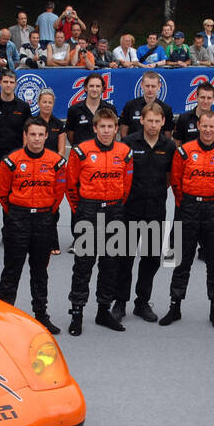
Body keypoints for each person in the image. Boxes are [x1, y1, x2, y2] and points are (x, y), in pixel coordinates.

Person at [159, 107, 214, 330]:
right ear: (198, 126)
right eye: (204, 126)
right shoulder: (184, 151)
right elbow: (176, 182)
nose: (207, 130)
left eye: (212, 127)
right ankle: (175, 306)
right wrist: (187, 204)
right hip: (189, 208)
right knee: (181, 261)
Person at [65, 108, 134, 335]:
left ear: (116, 129)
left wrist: (114, 206)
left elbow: (126, 186)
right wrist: (82, 210)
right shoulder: (81, 152)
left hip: (115, 212)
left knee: (110, 265)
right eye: (102, 126)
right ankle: (77, 313)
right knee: (83, 265)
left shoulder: (125, 152)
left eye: (110, 127)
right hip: (88, 212)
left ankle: (103, 310)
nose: (106, 131)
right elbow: (71, 186)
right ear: (95, 128)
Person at [0, 118, 66, 334]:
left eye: (40, 135)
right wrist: (19, 212)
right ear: (26, 135)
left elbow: (58, 194)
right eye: (32, 134)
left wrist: (43, 211)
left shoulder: (56, 162)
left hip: (44, 220)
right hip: (17, 219)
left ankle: (41, 315)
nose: (36, 139)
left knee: (40, 270)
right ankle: (3, 317)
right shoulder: (11, 161)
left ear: (46, 136)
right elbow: (2, 194)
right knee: (11, 270)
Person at [116, 103, 176, 323]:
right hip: (129, 210)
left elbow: (171, 178)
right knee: (124, 258)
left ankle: (142, 302)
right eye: (149, 120)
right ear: (141, 120)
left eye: (157, 121)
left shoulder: (169, 147)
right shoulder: (128, 143)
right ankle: (120, 302)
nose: (153, 125)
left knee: (151, 259)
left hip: (156, 210)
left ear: (163, 122)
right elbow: (121, 174)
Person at [0, 69, 33, 246]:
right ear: (0, 83)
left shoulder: (23, 107)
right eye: (5, 81)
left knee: (13, 197)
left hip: (15, 159)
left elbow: (27, 133)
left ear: (15, 84)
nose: (8, 85)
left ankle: (9, 231)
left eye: (11, 82)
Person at [66, 73, 116, 148]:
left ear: (102, 88)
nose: (94, 89)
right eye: (91, 86)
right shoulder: (74, 110)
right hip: (82, 154)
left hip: (103, 151)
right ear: (86, 88)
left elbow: (113, 133)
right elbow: (70, 134)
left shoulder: (110, 109)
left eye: (98, 86)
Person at [119, 71, 173, 138]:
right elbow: (123, 132)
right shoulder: (130, 105)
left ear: (159, 86)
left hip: (157, 147)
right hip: (134, 147)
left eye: (153, 86)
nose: (150, 89)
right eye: (147, 86)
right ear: (141, 85)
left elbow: (167, 136)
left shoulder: (166, 109)